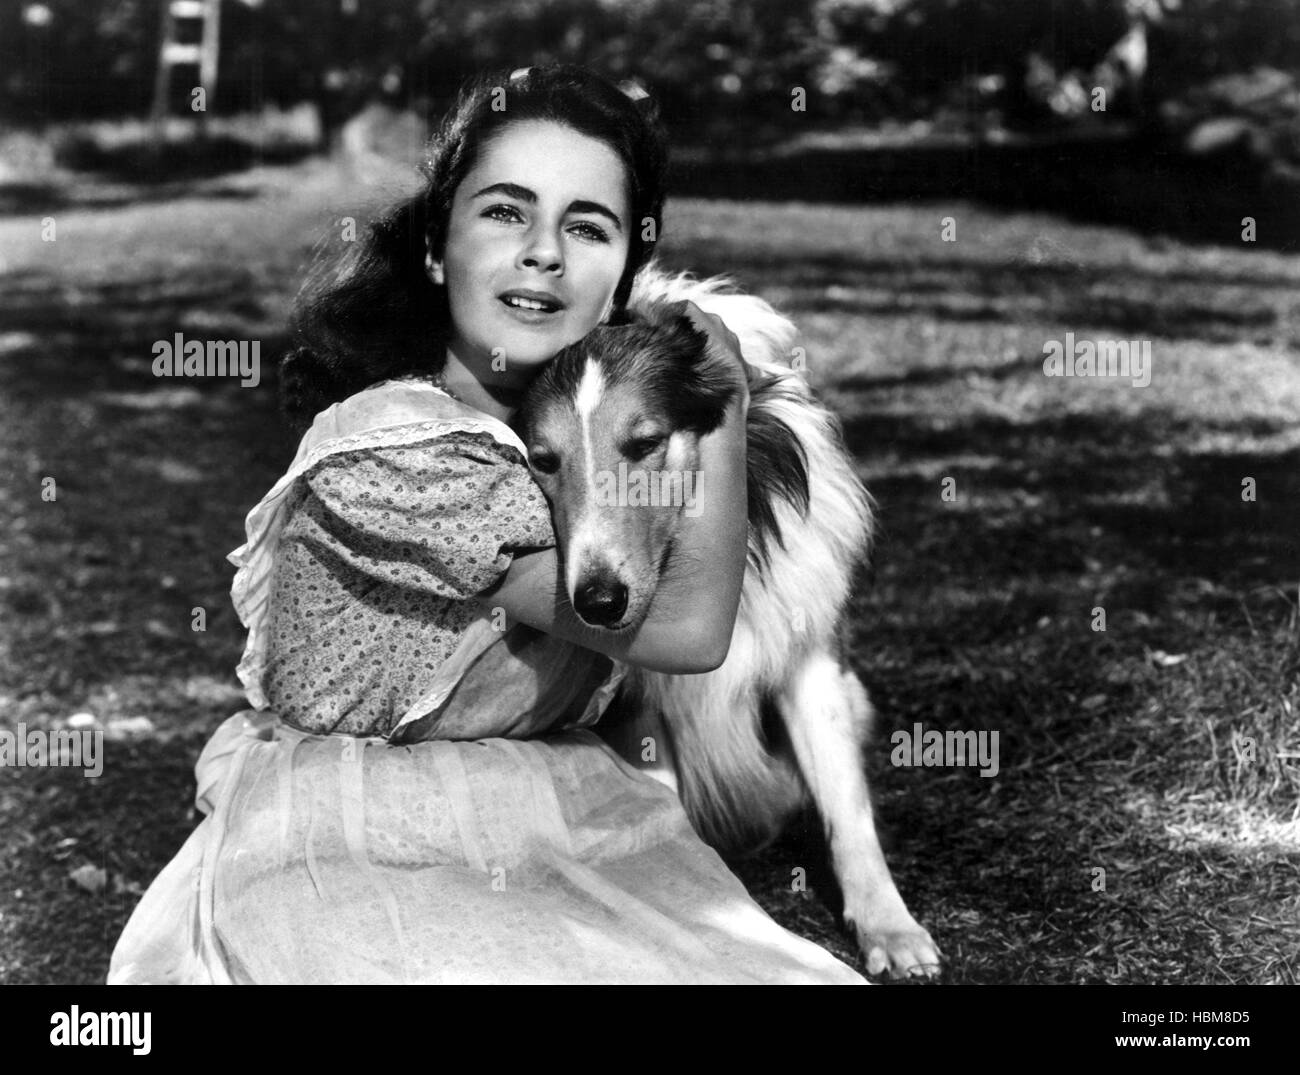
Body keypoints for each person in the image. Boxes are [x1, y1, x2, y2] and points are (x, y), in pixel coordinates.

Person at [108, 65, 866, 985]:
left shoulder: (562, 434)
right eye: (505, 211)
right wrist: (726, 402)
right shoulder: (404, 450)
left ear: (626, 272)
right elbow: (686, 633)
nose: (543, 251)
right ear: (437, 246)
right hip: (357, 839)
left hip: (542, 796)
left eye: (587, 226)